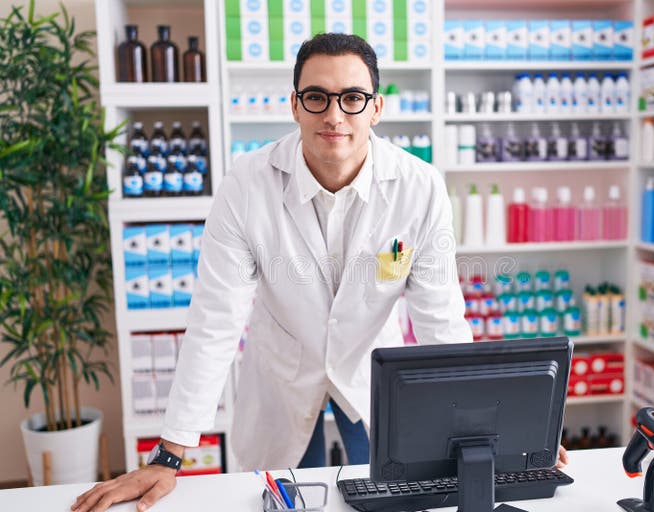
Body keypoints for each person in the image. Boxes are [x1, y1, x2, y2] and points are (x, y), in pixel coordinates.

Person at [71, 33, 567, 512]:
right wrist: (170, 452)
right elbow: (215, 321)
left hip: (370, 372)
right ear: (294, 105)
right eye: (316, 97)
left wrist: (484, 432)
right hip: (282, 375)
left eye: (352, 98)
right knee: (279, 500)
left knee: (389, 496)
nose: (334, 116)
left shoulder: (419, 188)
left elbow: (441, 319)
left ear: (376, 107)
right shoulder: (246, 186)